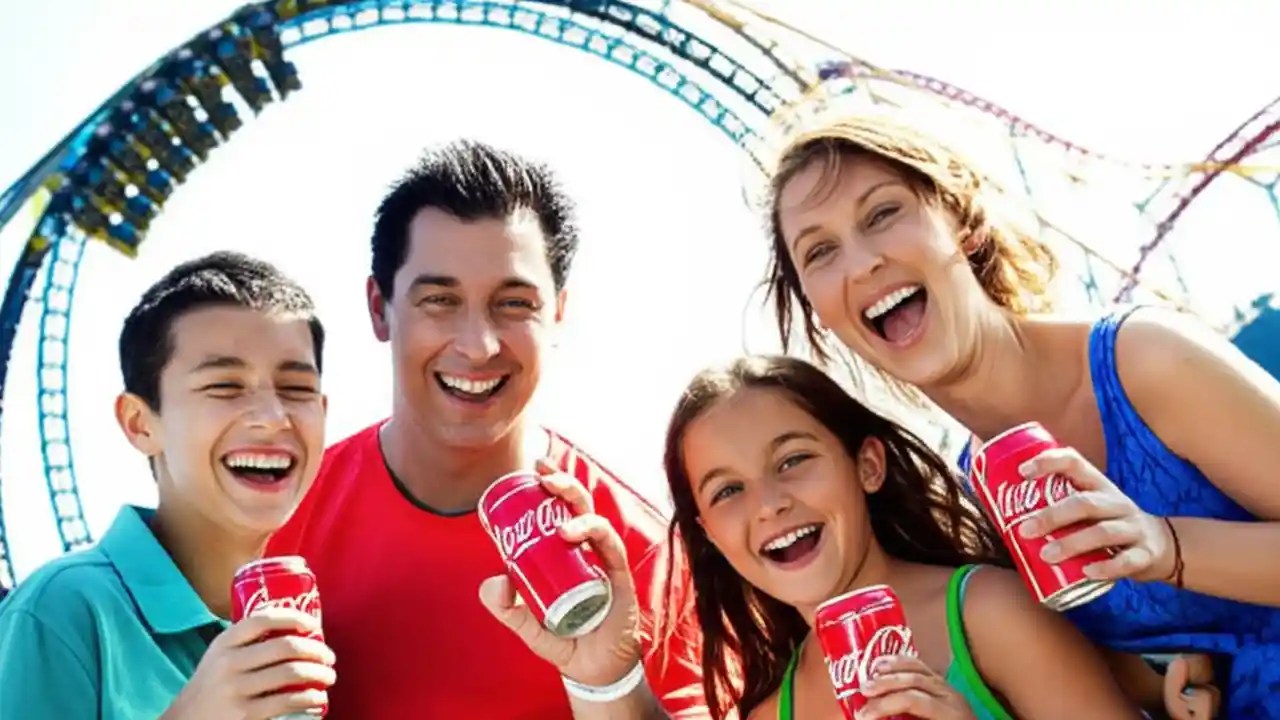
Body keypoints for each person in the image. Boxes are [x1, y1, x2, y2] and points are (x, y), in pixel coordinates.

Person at [763, 112, 1275, 717]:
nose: (860, 264)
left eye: (882, 214)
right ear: (817, 310)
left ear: (964, 224)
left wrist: (1166, 546)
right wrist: (1165, 679)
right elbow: (1120, 673)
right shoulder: (973, 502)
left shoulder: (1144, 360)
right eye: (820, 251)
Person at [266, 139, 706, 717]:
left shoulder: (642, 557)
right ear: (379, 308)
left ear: (558, 313)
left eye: (514, 303)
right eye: (440, 300)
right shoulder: (272, 528)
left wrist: (610, 686)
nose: (478, 345)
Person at [488, 355, 1153, 720]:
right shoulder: (769, 710)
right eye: (727, 491)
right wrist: (607, 676)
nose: (771, 503)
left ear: (866, 464)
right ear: (709, 536)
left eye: (792, 460)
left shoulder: (986, 613)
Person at [0, 251, 335, 718]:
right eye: (225, 386)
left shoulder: (322, 622)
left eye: (296, 390)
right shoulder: (63, 611)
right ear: (140, 423)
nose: (272, 418)